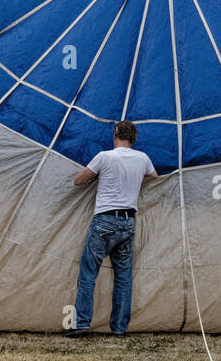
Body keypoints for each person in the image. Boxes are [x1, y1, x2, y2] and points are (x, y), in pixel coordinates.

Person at [66, 120, 157, 336]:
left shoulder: (104, 157)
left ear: (115, 135)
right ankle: (118, 329)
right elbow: (155, 179)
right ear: (133, 138)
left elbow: (79, 181)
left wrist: (97, 175)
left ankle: (81, 324)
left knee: (88, 273)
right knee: (123, 278)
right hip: (128, 222)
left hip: (104, 221)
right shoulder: (142, 159)